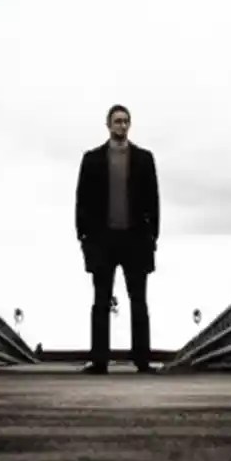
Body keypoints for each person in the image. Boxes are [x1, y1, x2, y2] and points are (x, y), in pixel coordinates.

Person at [74, 104, 160, 374]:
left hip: (136, 240)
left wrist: (152, 234)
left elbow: (153, 200)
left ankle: (142, 359)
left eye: (125, 121)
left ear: (129, 125)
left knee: (139, 301)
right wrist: (83, 236)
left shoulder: (145, 159)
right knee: (100, 301)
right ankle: (99, 360)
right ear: (108, 125)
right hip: (102, 240)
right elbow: (82, 200)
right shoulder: (92, 159)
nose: (121, 125)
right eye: (117, 121)